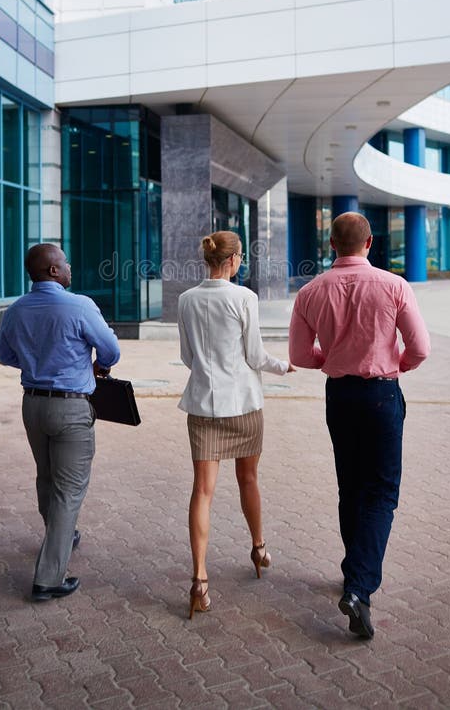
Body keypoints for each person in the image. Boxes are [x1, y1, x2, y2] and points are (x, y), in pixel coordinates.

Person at [289, 212, 430, 639]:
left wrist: (329, 359)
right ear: (369, 243)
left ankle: (354, 571)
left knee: (350, 486)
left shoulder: (310, 292)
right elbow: (420, 348)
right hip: (382, 393)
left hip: (341, 396)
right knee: (382, 491)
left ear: (332, 244)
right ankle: (359, 587)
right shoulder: (393, 286)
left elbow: (299, 354)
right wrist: (395, 365)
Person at [177, 231, 295, 619]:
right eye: (240, 256)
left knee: (203, 492)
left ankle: (199, 580)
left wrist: (210, 375)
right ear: (231, 261)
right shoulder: (245, 298)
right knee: (249, 480)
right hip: (243, 403)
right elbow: (256, 354)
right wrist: (283, 366)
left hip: (203, 405)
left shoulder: (186, 300)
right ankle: (259, 549)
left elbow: (188, 356)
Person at [0, 243, 120, 602]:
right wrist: (93, 365)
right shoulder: (79, 305)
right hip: (70, 408)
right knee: (69, 491)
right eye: (65, 262)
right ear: (53, 271)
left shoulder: (16, 309)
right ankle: (48, 579)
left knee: (46, 477)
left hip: (32, 405)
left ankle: (61, 534)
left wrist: (40, 363)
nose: (69, 266)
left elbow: (6, 355)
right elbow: (111, 350)